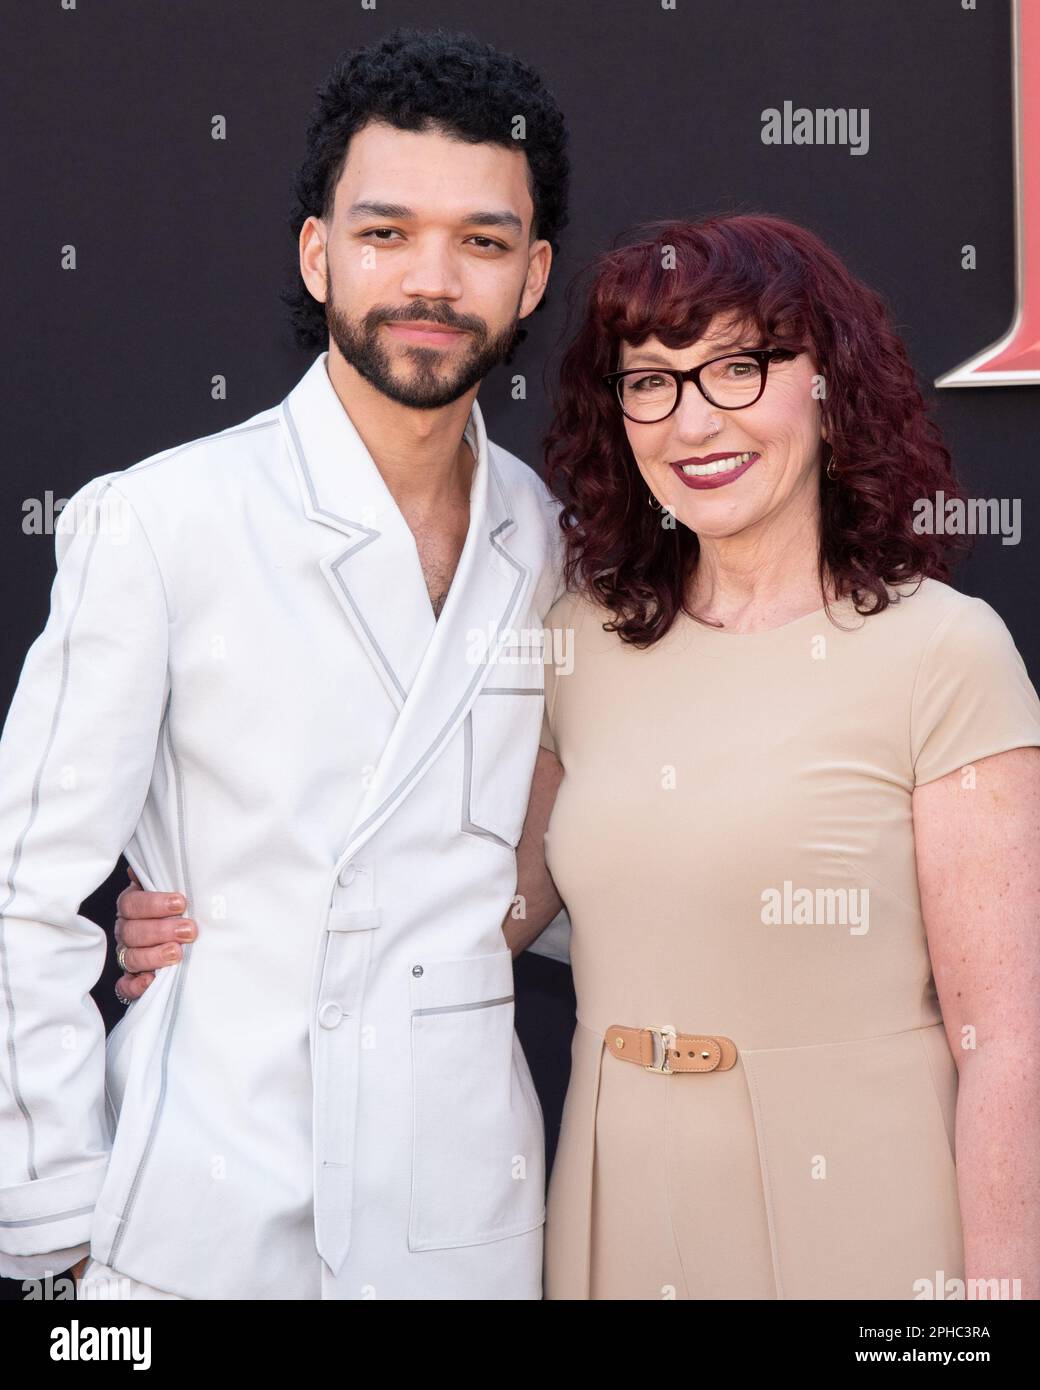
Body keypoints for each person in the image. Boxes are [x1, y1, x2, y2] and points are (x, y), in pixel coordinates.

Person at [0, 28, 571, 1300]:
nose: (431, 278)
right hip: (196, 1213)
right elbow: (26, 898)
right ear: (317, 254)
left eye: (480, 242)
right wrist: (53, 1232)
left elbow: (576, 860)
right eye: (384, 233)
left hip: (462, 1225)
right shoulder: (158, 520)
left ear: (531, 278)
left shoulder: (554, 543)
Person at [512, 214, 1040, 1299]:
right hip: (617, 1214)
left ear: (826, 385)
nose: (690, 420)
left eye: (737, 367)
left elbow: (1009, 1046)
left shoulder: (941, 650)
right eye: (648, 381)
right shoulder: (574, 641)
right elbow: (474, 915)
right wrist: (212, 923)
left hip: (863, 1226)